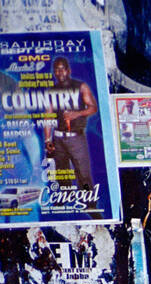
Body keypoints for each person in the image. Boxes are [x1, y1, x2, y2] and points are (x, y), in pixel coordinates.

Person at [45, 57, 98, 197]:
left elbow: (93, 108)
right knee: (62, 173)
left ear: (68, 70)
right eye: (56, 69)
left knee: (83, 174)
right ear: (54, 72)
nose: (59, 72)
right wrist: (47, 140)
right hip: (58, 139)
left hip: (76, 138)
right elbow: (47, 117)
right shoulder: (51, 91)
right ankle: (65, 198)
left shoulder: (81, 86)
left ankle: (89, 201)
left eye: (62, 68)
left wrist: (77, 114)